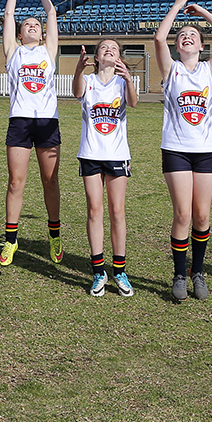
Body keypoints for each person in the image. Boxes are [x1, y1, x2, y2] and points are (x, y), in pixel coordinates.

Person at [152, 0, 212, 302]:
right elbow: (159, 36)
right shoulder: (171, 70)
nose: (186, 37)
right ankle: (178, 273)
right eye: (182, 36)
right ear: (177, 46)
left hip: (205, 150)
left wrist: (201, 12)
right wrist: (175, 7)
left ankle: (197, 272)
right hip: (175, 148)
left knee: (201, 215)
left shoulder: (210, 70)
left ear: (201, 46)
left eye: (193, 36)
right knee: (183, 214)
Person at [0, 0, 62, 267]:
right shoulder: (14, 53)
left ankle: (54, 234)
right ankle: (11, 239)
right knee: (16, 182)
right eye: (28, 26)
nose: (33, 27)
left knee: (50, 180)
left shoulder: (49, 52)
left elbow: (51, 12)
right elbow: (9, 14)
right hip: (20, 122)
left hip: (47, 121)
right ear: (21, 34)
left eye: (36, 25)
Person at [72, 40, 138, 297]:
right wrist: (78, 70)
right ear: (97, 57)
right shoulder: (88, 81)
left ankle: (119, 270)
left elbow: (133, 103)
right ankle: (99, 269)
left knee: (117, 211)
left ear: (120, 56)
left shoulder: (122, 83)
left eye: (114, 48)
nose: (109, 50)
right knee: (94, 209)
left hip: (117, 154)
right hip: (90, 153)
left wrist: (130, 80)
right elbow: (77, 93)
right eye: (103, 48)